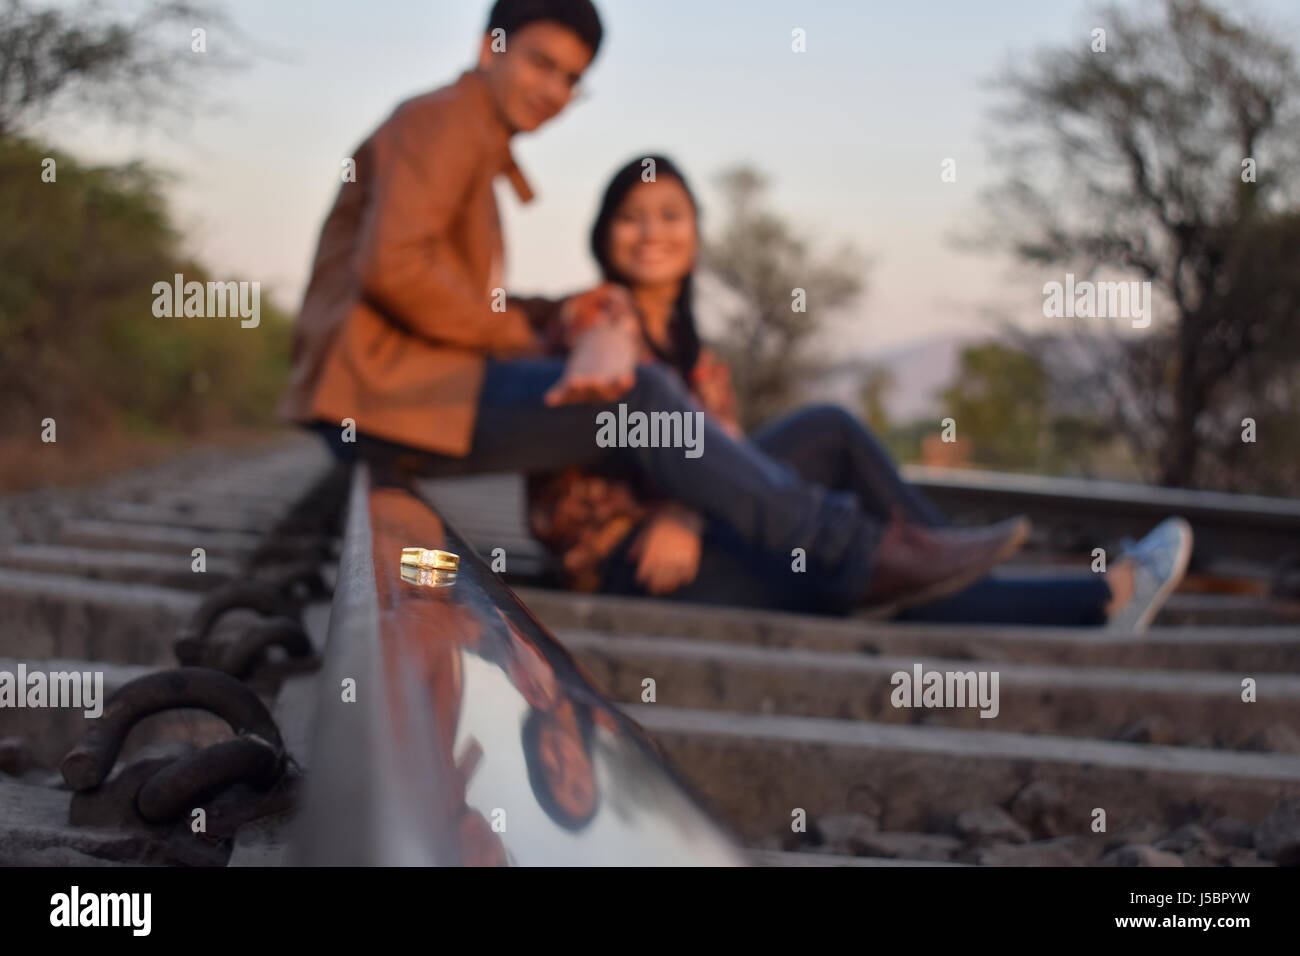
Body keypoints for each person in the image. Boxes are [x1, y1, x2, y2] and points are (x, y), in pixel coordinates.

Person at [282, 0, 1033, 617]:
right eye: (541, 63)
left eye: (572, 78)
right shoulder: (446, 118)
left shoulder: (472, 141)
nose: (554, 91)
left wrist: (551, 313)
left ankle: (953, 574)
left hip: (405, 396)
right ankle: (854, 549)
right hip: (394, 397)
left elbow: (443, 284)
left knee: (781, 423)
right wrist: (531, 330)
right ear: (491, 48)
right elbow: (397, 268)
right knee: (638, 394)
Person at [524, 155, 1194, 630]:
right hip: (627, 561)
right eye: (631, 217)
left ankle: (937, 561)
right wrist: (665, 517)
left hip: (694, 538)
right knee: (855, 578)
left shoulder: (706, 367)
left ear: (696, 235)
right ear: (604, 235)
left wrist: (687, 515)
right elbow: (598, 338)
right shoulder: (594, 310)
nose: (651, 233)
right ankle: (1104, 597)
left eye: (669, 215)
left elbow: (723, 472)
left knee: (830, 430)